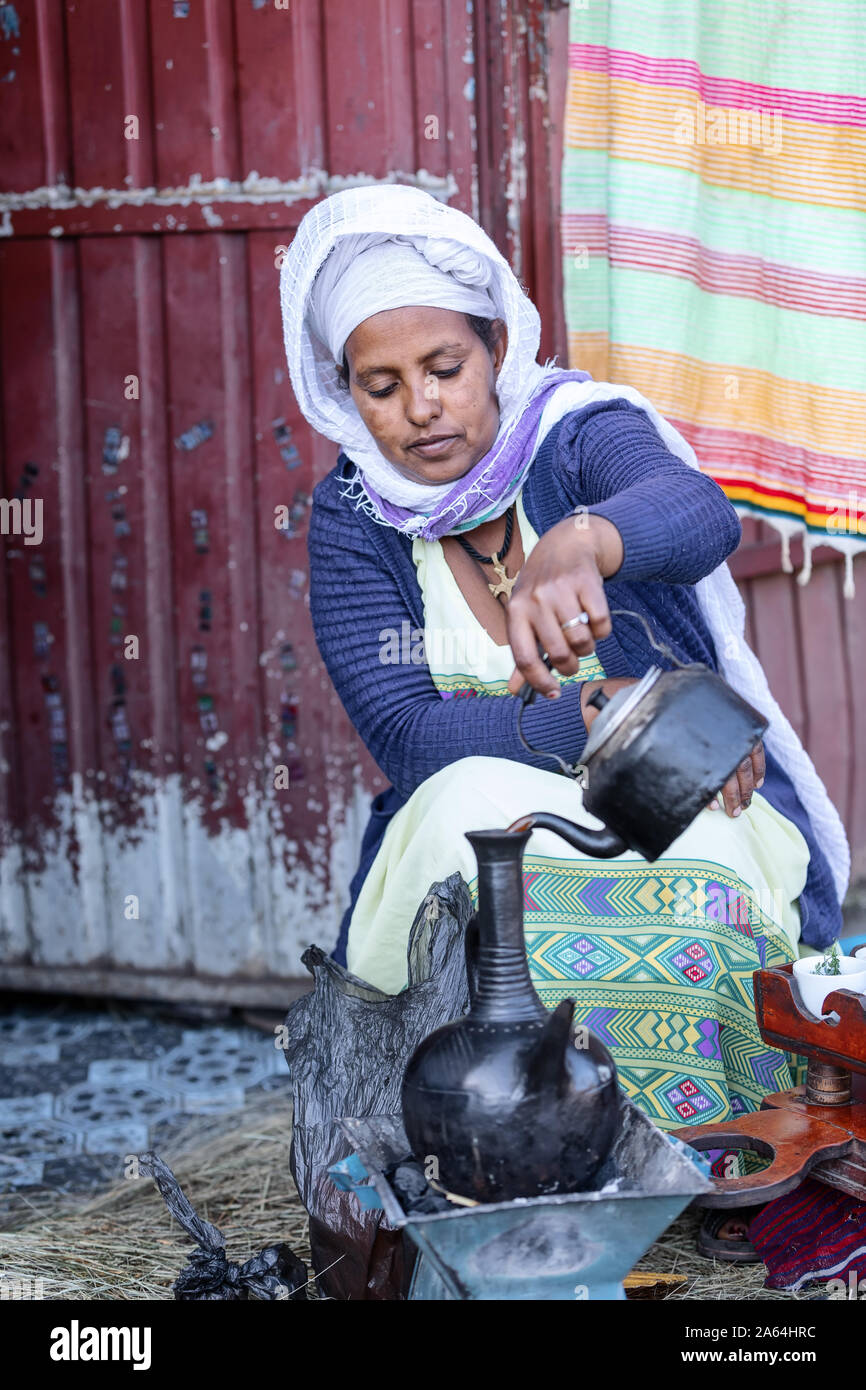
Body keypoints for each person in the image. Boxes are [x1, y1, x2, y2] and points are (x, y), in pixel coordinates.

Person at [279, 184, 849, 1255]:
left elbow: (696, 513)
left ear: (494, 347)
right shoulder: (354, 517)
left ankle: (694, 1149)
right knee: (456, 803)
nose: (420, 409)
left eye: (443, 369)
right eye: (381, 386)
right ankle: (514, 1156)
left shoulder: (576, 436)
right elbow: (408, 737)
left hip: (695, 791)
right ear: (343, 394)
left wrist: (583, 541)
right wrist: (604, 713)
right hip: (475, 833)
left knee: (683, 833)